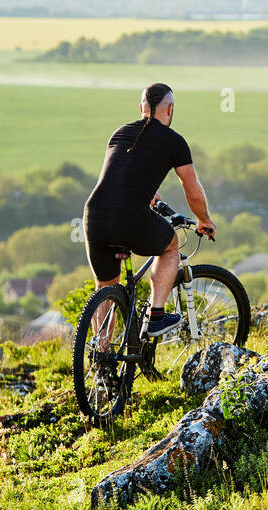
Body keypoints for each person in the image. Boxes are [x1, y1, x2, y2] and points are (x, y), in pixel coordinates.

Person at [82, 83, 216, 337]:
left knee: (105, 289)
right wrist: (204, 219)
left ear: (141, 107)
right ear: (171, 109)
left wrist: (148, 194)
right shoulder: (174, 141)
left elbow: (120, 174)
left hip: (95, 214)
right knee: (170, 245)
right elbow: (193, 190)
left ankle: (102, 360)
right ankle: (156, 316)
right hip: (128, 216)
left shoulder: (119, 133)